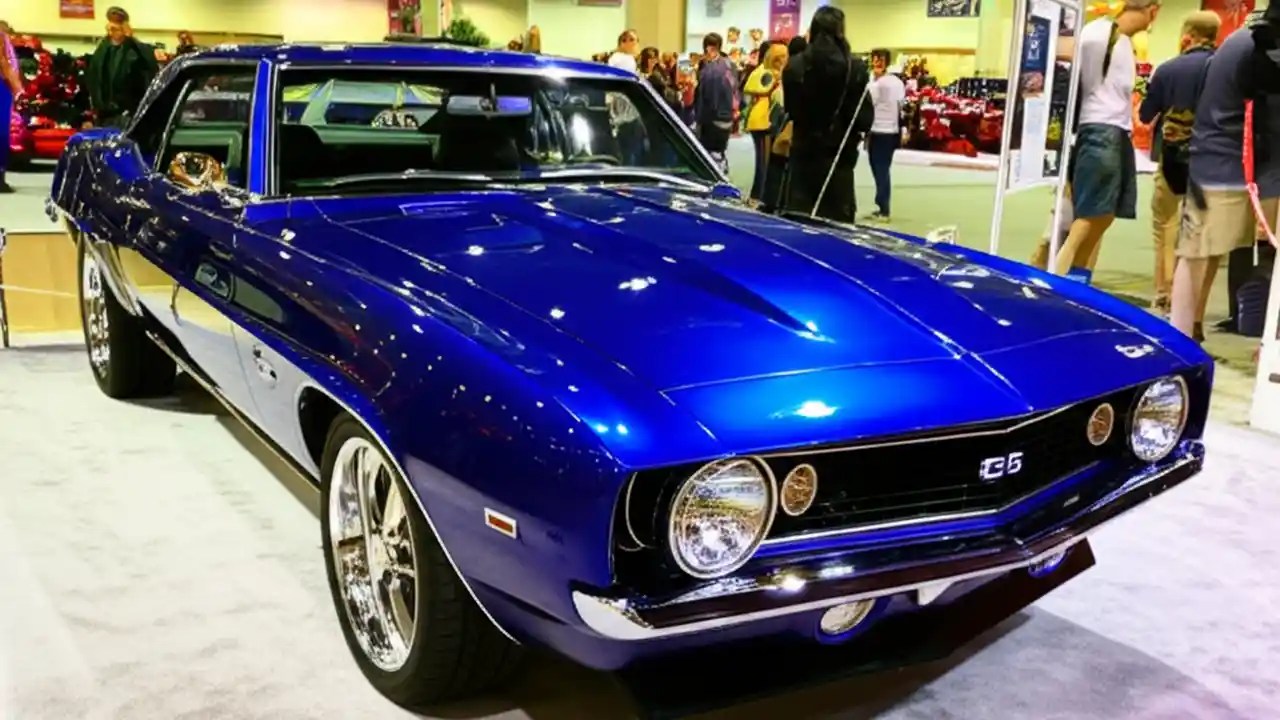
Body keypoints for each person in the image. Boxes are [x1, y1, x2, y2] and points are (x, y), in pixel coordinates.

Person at [1172, 6, 1280, 342]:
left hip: (1221, 161)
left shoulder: (1245, 38)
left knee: (1202, 254)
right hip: (1227, 163)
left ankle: (1189, 332)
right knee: (1197, 255)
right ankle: (1181, 337)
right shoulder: (1262, 44)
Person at [1053, 0, 1160, 279]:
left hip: (1109, 132)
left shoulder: (1115, 39)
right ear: (1151, 10)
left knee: (1102, 215)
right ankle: (1054, 279)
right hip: (1101, 131)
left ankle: (1078, 276)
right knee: (1089, 217)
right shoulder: (1101, 34)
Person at [1138, 11, 1219, 316]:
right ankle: (1192, 304)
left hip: (1170, 158)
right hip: (1210, 161)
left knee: (1165, 224)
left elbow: (1146, 115)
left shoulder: (1169, 69)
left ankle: (1163, 292)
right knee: (1202, 230)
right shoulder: (1223, 69)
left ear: (1186, 34)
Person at [781, 6, 873, 221]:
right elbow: (865, 120)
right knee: (837, 227)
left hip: (803, 157)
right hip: (839, 160)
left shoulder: (794, 66)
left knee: (800, 220)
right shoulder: (856, 69)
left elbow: (791, 110)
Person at [87, 6, 159, 128]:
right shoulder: (103, 50)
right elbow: (94, 76)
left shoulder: (135, 51)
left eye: (115, 29)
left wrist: (131, 39)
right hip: (104, 113)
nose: (111, 33)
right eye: (109, 29)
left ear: (124, 29)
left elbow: (148, 66)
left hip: (127, 112)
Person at [865, 48, 906, 222]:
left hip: (879, 130)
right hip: (892, 131)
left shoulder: (876, 84)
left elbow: (868, 104)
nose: (875, 63)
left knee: (879, 169)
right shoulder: (898, 83)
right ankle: (881, 203)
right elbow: (901, 107)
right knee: (883, 168)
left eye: (878, 60)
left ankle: (884, 208)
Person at [744, 41, 787, 203]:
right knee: (764, 163)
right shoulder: (766, 73)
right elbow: (761, 88)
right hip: (762, 121)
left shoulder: (762, 71)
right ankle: (758, 197)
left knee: (764, 162)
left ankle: (758, 195)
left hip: (761, 119)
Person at [694, 32, 738, 171]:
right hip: (727, 116)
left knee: (711, 154)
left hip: (712, 118)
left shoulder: (709, 70)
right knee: (720, 151)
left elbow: (707, 96)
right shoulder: (730, 65)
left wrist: (700, 119)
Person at [0, 20, 21, 193]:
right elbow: (7, 66)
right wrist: (18, 89)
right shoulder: (3, 39)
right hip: (2, 85)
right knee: (1, 132)